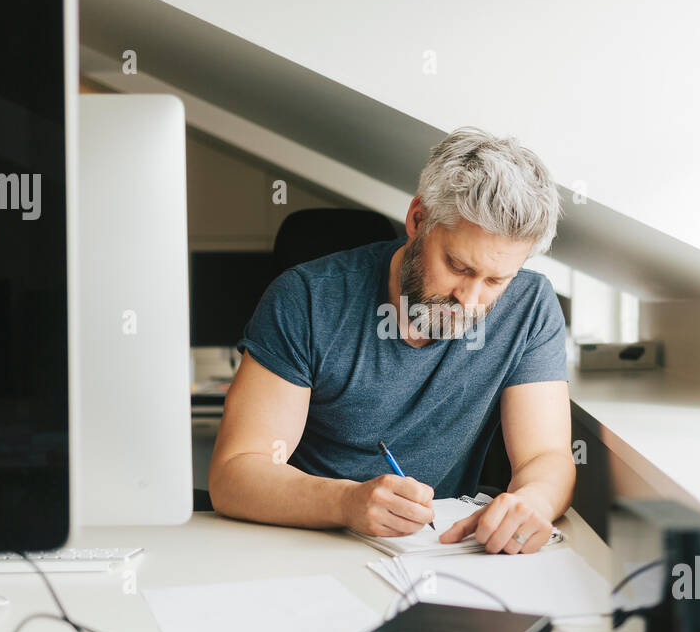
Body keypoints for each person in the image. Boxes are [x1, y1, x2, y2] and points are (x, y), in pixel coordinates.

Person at [207, 127, 575, 555]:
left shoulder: (529, 305)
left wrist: (532, 502)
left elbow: (546, 457)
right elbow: (235, 474)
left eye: (496, 280)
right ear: (418, 219)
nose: (470, 300)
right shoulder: (307, 297)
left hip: (435, 552)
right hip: (307, 544)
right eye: (457, 266)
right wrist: (345, 502)